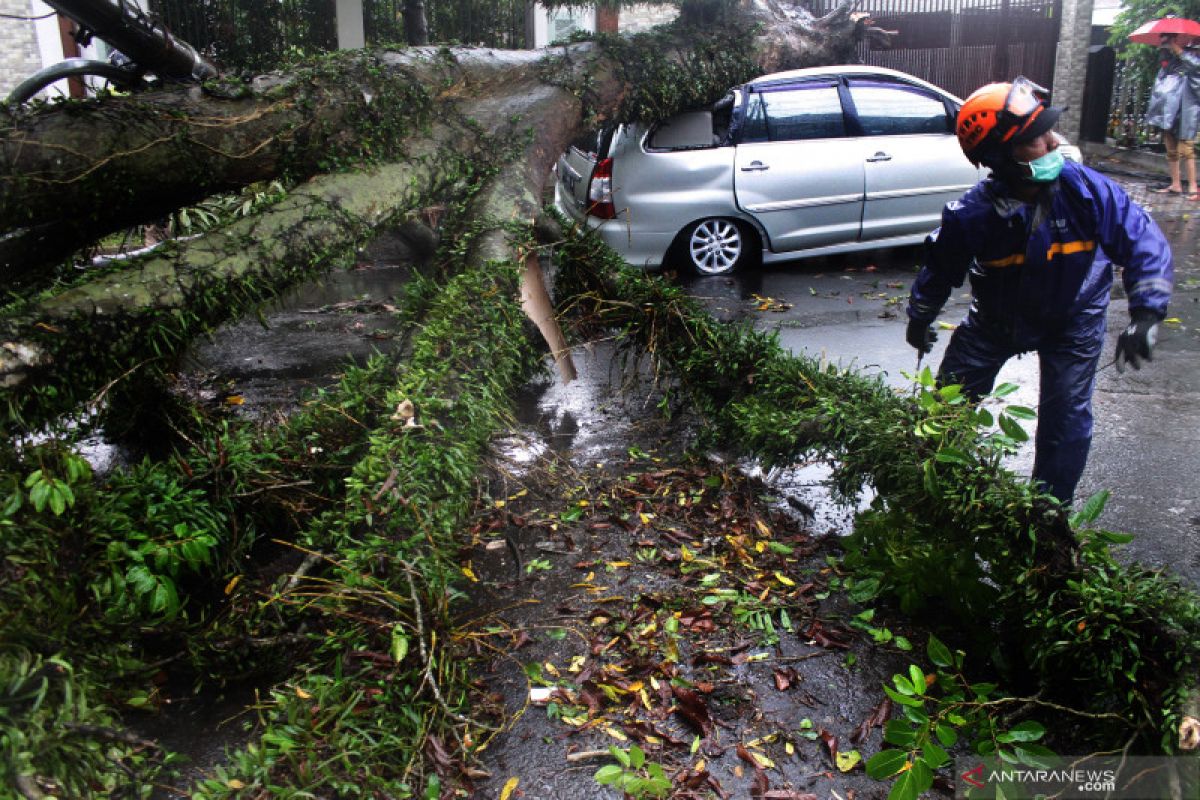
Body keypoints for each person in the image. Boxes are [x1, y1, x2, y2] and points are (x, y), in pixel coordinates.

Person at [904, 77, 1174, 504]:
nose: (1052, 142)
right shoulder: (974, 215)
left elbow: (1142, 239)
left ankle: (1047, 517)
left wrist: (1147, 313)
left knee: (1066, 419)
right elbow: (940, 266)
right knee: (946, 408)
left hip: (1075, 319)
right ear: (999, 157)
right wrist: (920, 316)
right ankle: (926, 491)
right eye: (1034, 137)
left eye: (1048, 130)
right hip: (996, 322)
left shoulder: (1086, 190)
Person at [1145, 33, 1200, 199]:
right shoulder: (1174, 63)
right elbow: (1164, 75)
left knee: (1186, 150)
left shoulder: (1194, 63)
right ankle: (1176, 184)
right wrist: (1166, 48)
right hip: (1170, 111)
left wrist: (1178, 49)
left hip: (1186, 111)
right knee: (1171, 149)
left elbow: (1195, 67)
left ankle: (1192, 187)